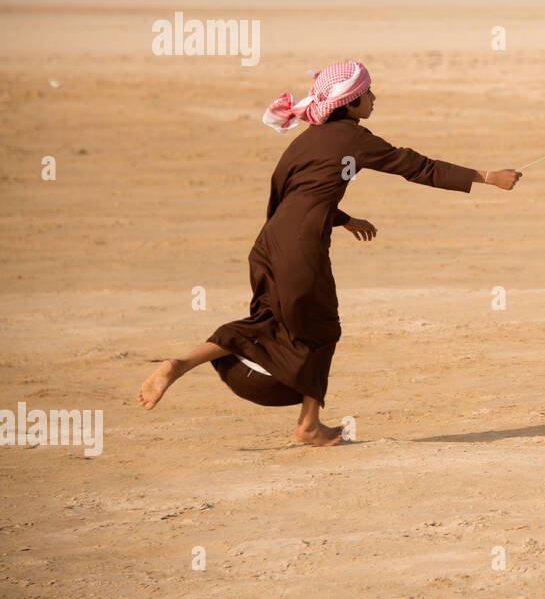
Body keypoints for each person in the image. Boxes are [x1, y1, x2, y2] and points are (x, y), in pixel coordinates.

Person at [138, 60, 521, 446]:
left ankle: (181, 364)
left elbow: (297, 194)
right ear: (351, 104)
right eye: (368, 93)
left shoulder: (306, 139)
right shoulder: (355, 139)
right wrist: (486, 177)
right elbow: (417, 166)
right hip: (301, 249)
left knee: (270, 321)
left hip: (268, 244)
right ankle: (309, 425)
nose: (374, 98)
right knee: (320, 330)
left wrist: (343, 218)